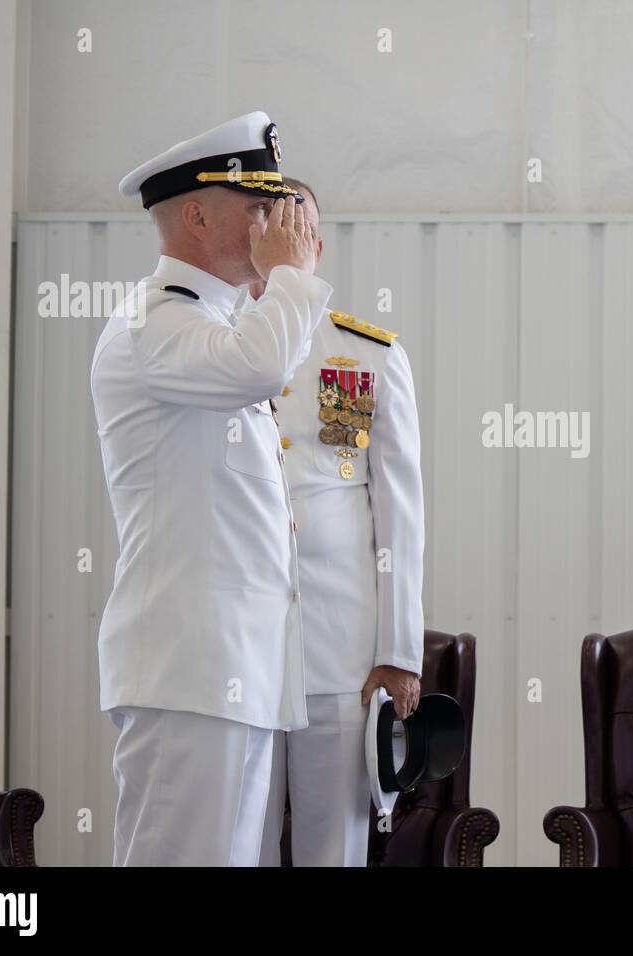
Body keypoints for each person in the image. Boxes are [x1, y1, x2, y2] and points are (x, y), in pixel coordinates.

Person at [91, 112, 330, 865]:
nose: (276, 225)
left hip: (231, 673)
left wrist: (279, 285)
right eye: (259, 208)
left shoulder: (216, 322)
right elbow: (258, 369)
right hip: (189, 673)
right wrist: (291, 275)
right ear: (195, 215)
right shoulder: (155, 322)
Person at [255, 178, 425, 867]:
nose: (290, 240)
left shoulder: (369, 355)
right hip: (244, 652)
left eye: (302, 227)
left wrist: (400, 650)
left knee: (333, 852)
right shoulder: (218, 352)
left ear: (316, 247)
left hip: (340, 650)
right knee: (240, 848)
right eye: (275, 225)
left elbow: (401, 509)